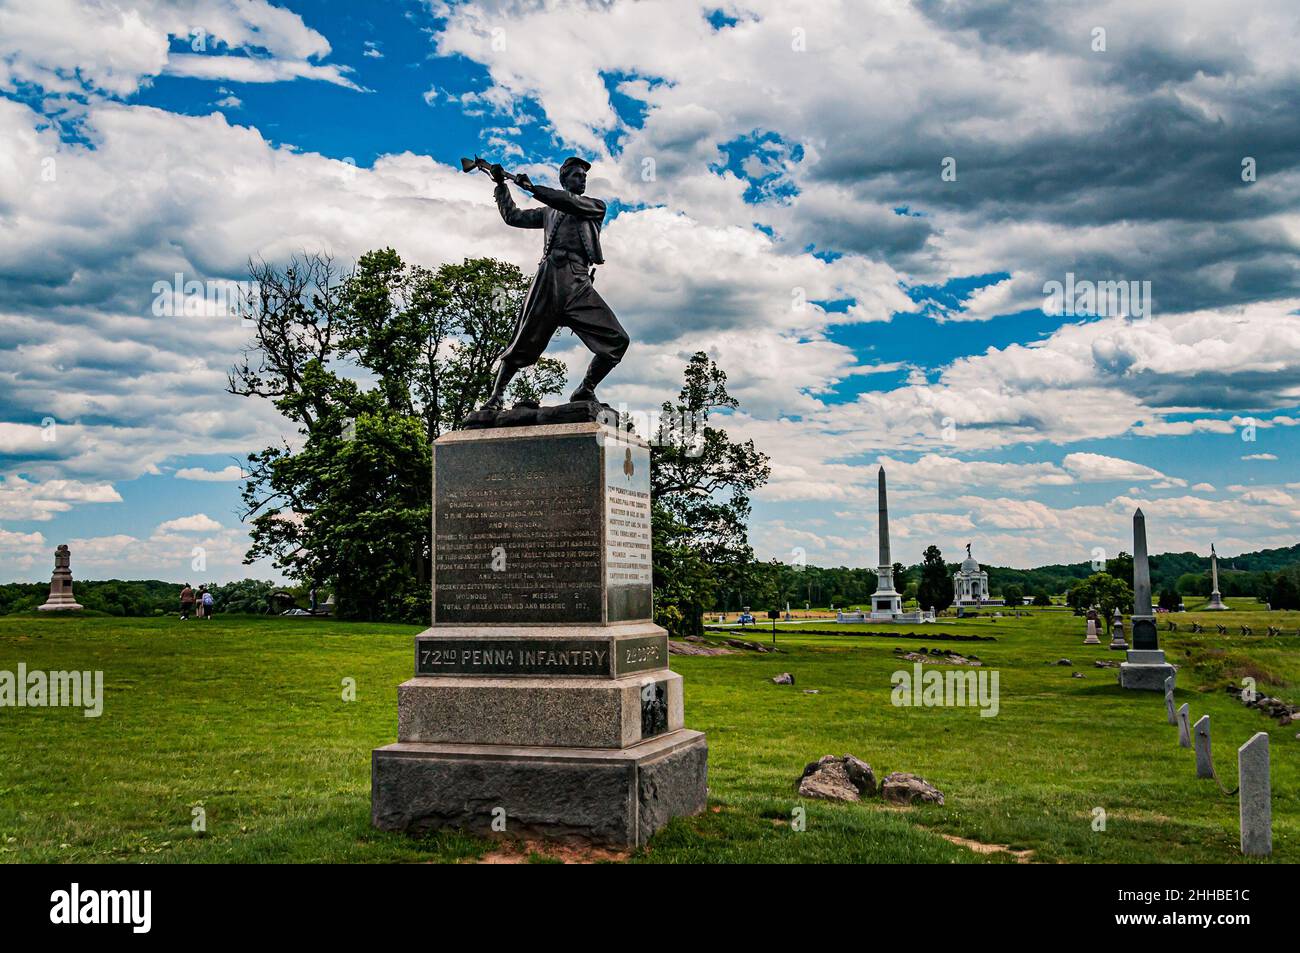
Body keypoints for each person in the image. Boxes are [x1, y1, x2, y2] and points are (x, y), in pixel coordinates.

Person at [475, 156, 628, 414]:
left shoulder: (593, 206)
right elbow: (513, 217)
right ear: (564, 179)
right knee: (522, 342)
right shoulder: (548, 211)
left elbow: (566, 201)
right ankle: (496, 396)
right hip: (548, 279)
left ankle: (585, 388)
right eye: (577, 175)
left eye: (584, 176)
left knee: (617, 340)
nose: (582, 180)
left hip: (578, 281)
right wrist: (501, 185)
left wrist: (533, 189)